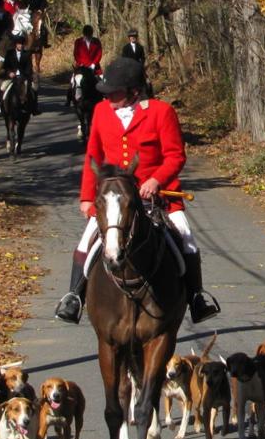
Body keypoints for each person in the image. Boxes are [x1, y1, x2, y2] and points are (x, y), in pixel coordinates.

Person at [54, 58, 221, 326]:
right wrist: (87, 197)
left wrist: (155, 180)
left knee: (187, 239)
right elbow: (92, 156)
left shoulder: (161, 112)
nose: (108, 97)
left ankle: (196, 298)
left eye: (114, 92)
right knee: (86, 242)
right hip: (113, 200)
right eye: (106, 92)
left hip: (157, 198)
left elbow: (175, 156)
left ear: (133, 91)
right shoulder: (100, 112)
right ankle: (74, 296)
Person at [0, 32, 40, 114]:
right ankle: (1, 107)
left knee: (33, 88)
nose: (20, 46)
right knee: (3, 88)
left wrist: (24, 75)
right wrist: (10, 72)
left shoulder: (27, 54)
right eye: (18, 44)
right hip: (11, 77)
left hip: (23, 76)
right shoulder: (10, 53)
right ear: (15, 45)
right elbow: (5, 66)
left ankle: (34, 107)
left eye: (21, 44)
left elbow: (29, 67)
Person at [66, 25, 103, 108]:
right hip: (81, 66)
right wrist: (81, 63)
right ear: (84, 34)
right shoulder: (78, 42)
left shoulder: (96, 41)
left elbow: (99, 53)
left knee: (102, 80)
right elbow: (76, 54)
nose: (88, 36)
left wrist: (94, 64)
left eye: (89, 34)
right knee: (72, 81)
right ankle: (69, 99)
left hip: (95, 67)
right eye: (86, 34)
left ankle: (104, 98)